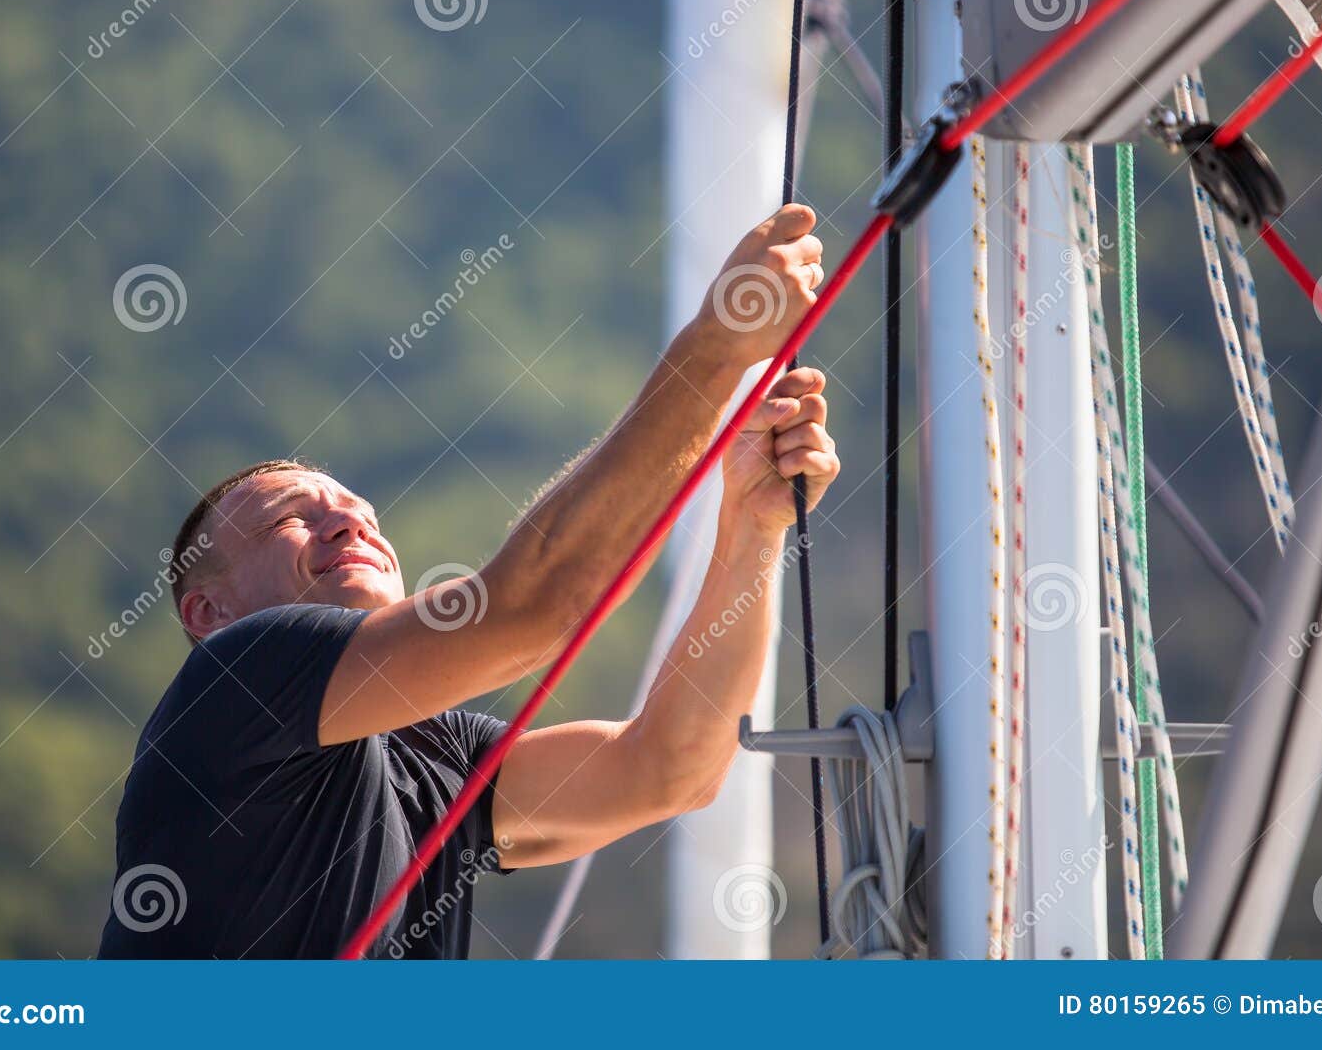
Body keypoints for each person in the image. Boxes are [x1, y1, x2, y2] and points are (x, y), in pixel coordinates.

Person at [97, 205, 840, 958]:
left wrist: (751, 526)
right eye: (291, 517)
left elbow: (666, 768)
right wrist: (714, 348)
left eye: (363, 514)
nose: (350, 525)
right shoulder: (238, 676)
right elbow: (537, 604)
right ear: (208, 610)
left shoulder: (428, 751)